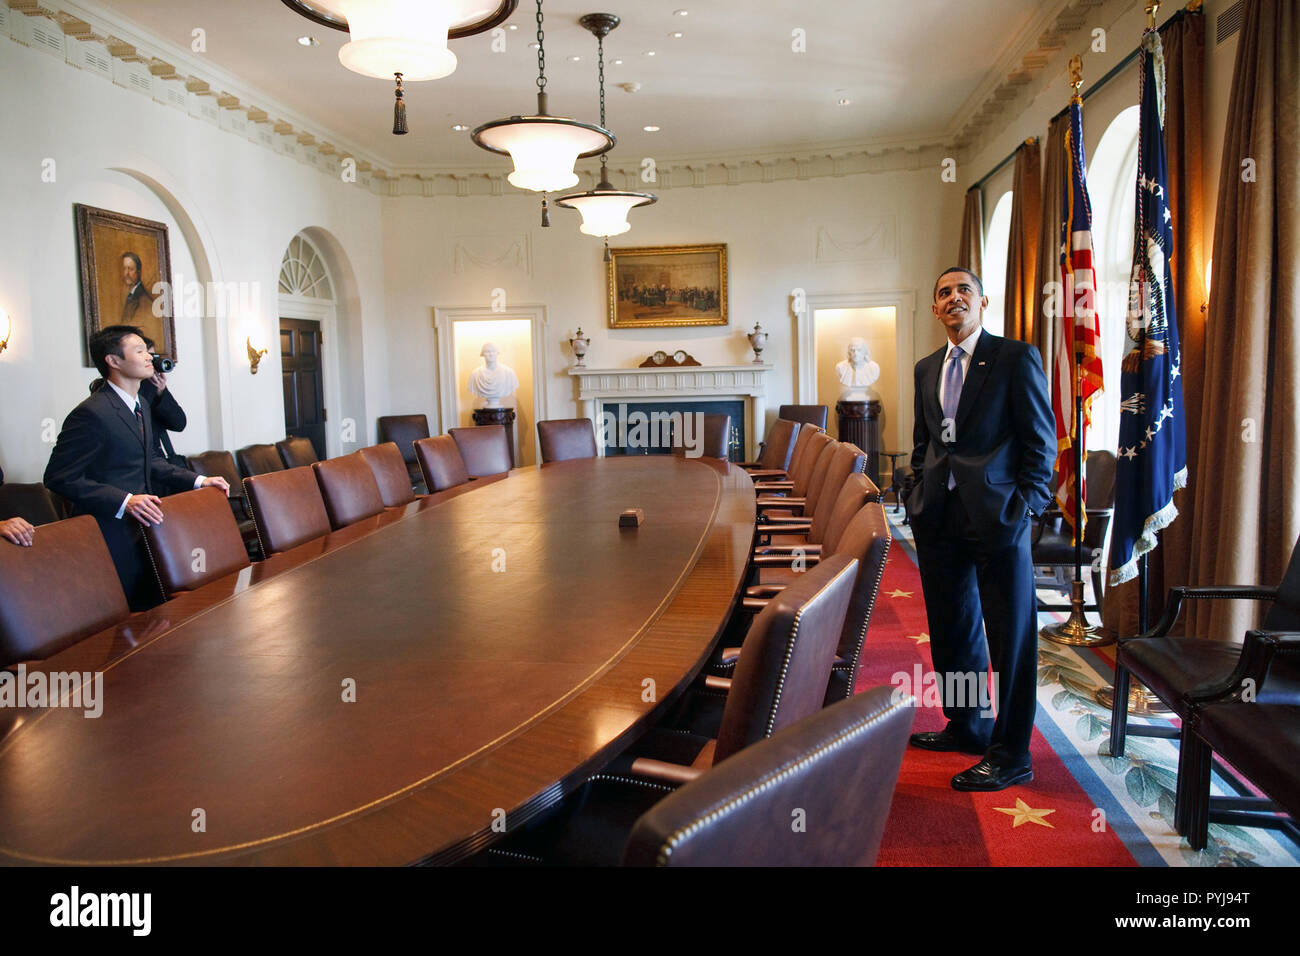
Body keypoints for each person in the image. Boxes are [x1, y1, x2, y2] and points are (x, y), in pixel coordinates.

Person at [905, 267, 1054, 791]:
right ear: (935, 309)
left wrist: (1026, 507)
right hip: (939, 518)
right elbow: (924, 444)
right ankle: (968, 724)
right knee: (954, 627)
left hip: (999, 518)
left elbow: (1041, 440)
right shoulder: (926, 368)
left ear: (983, 300)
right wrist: (914, 492)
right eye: (943, 292)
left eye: (963, 290)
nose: (953, 298)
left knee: (1010, 637)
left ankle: (1012, 753)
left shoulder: (1014, 358)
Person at [45, 324, 228, 609]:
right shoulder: (91, 413)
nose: (149, 358)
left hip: (143, 526)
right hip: (108, 532)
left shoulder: (140, 402)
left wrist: (198, 481)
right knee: (127, 615)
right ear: (114, 361)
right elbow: (58, 477)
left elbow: (151, 460)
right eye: (140, 350)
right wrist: (125, 500)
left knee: (158, 608)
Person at [120, 252, 155, 322]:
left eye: (130, 269)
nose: (126, 273)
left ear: (139, 272)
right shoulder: (131, 295)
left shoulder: (144, 300)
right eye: (124, 268)